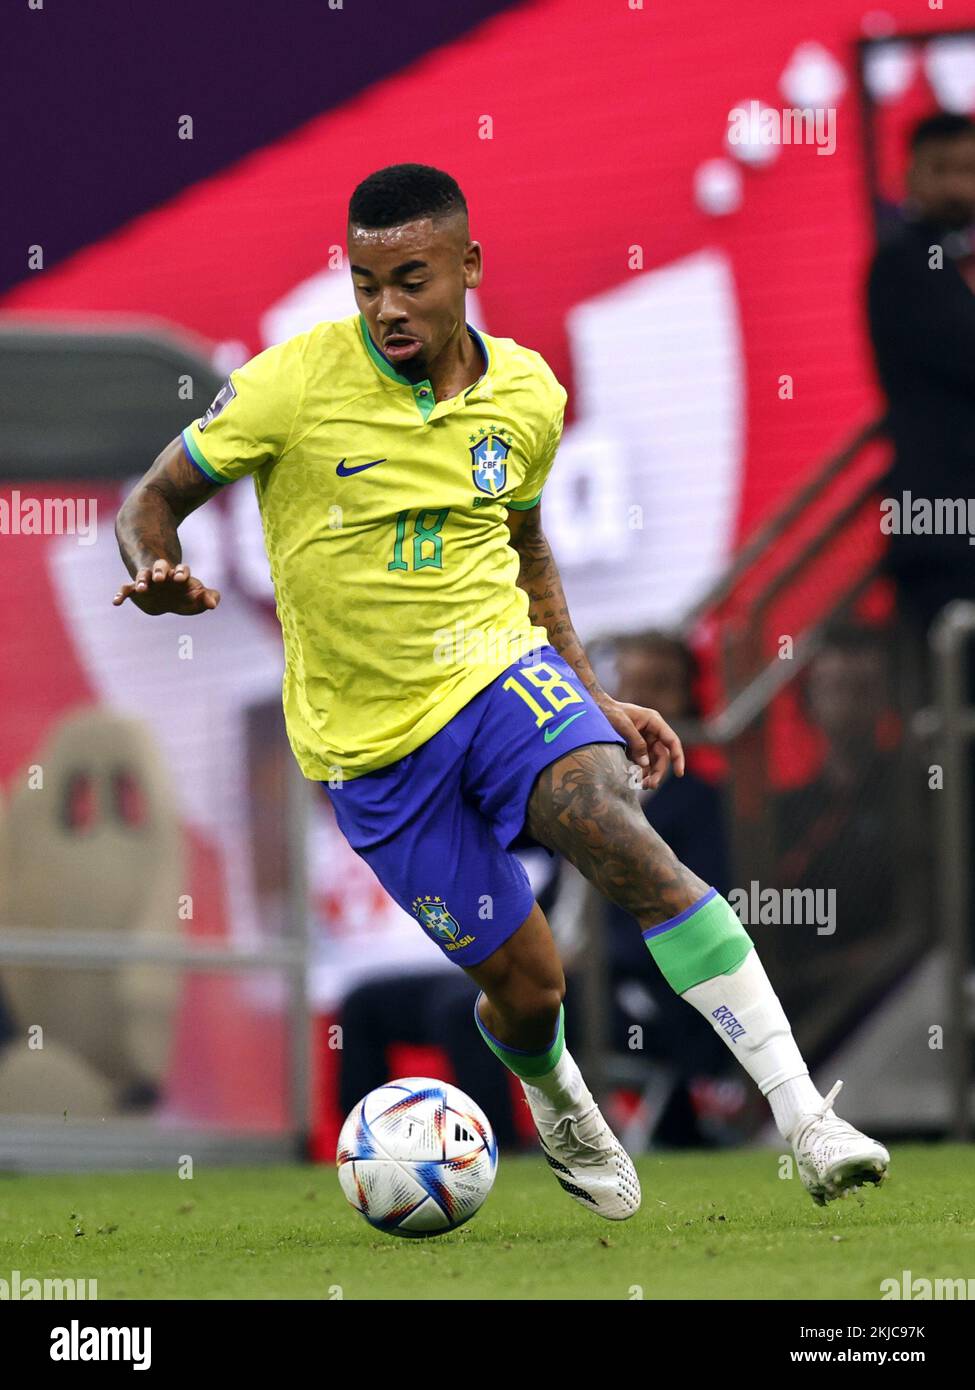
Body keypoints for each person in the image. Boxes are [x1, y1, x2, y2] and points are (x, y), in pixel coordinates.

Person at [114, 163, 888, 1217]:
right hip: (374, 752)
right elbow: (155, 497)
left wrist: (591, 693)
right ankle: (557, 1089)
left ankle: (806, 1118)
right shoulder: (288, 385)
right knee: (529, 987)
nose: (387, 306)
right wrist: (152, 568)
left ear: (468, 266)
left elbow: (527, 549)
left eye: (412, 278)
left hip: (496, 675)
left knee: (615, 824)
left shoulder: (526, 393)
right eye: (366, 282)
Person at [867, 112, 975, 641]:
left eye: (969, 170)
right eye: (943, 170)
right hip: (944, 531)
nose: (959, 186)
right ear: (910, 176)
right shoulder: (901, 265)